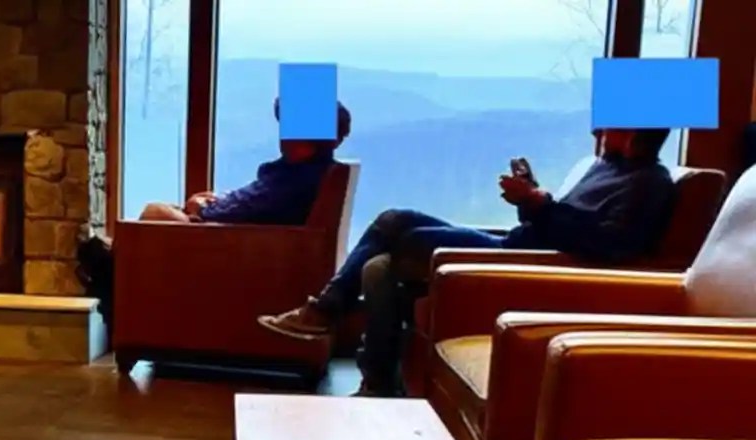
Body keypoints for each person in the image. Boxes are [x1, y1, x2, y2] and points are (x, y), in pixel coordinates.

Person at [258, 128, 678, 396]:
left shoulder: (650, 183)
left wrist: (538, 202)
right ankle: (370, 368)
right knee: (386, 241)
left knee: (400, 245)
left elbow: (608, 245)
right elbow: (561, 224)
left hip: (517, 262)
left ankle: (331, 318)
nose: (599, 128)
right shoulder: (602, 168)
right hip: (517, 244)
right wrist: (533, 200)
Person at [139, 98, 352, 225]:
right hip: (234, 231)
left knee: (154, 212)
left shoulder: (294, 179)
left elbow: (248, 209)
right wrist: (219, 200)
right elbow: (253, 201)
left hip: (228, 244)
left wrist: (202, 209)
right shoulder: (309, 169)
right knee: (165, 209)